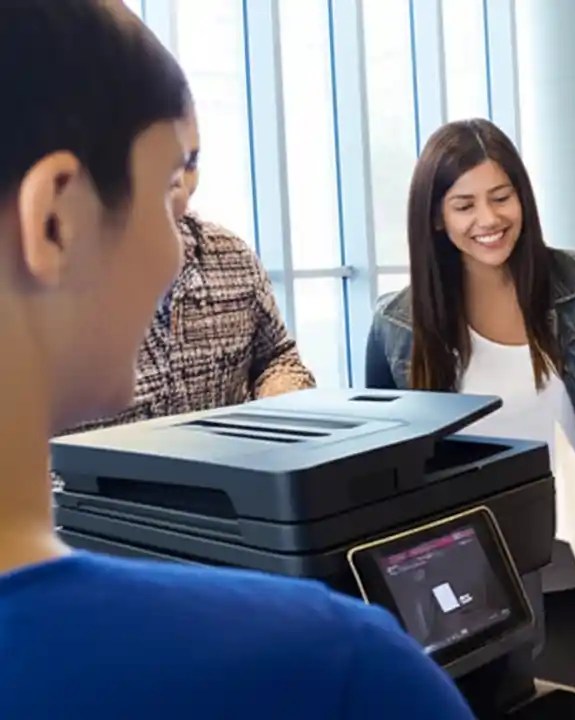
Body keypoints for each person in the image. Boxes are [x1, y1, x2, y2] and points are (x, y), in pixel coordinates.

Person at [0, 2, 470, 717]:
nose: (174, 237)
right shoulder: (322, 665)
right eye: (163, 186)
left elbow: (277, 353)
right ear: (56, 220)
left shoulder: (230, 255)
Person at [364, 117, 575, 695]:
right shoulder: (398, 327)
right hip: (475, 584)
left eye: (501, 197)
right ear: (436, 218)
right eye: (463, 205)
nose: (488, 220)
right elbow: (384, 474)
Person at [61, 90, 314, 439]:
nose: (177, 175)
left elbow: (277, 357)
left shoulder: (229, 257)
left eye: (190, 161)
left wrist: (282, 401)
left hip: (230, 484)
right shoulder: (41, 283)